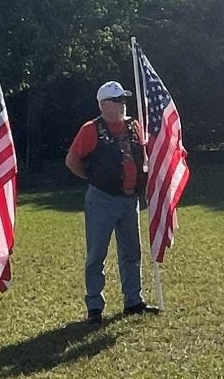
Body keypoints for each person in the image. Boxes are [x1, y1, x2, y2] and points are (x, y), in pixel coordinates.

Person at [65, 80, 161, 325]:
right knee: (97, 254)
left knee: (132, 252)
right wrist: (94, 178)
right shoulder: (91, 129)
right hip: (102, 200)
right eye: (117, 100)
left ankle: (133, 301)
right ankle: (95, 305)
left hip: (130, 199)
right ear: (103, 104)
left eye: (123, 100)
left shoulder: (133, 126)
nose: (122, 105)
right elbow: (72, 160)